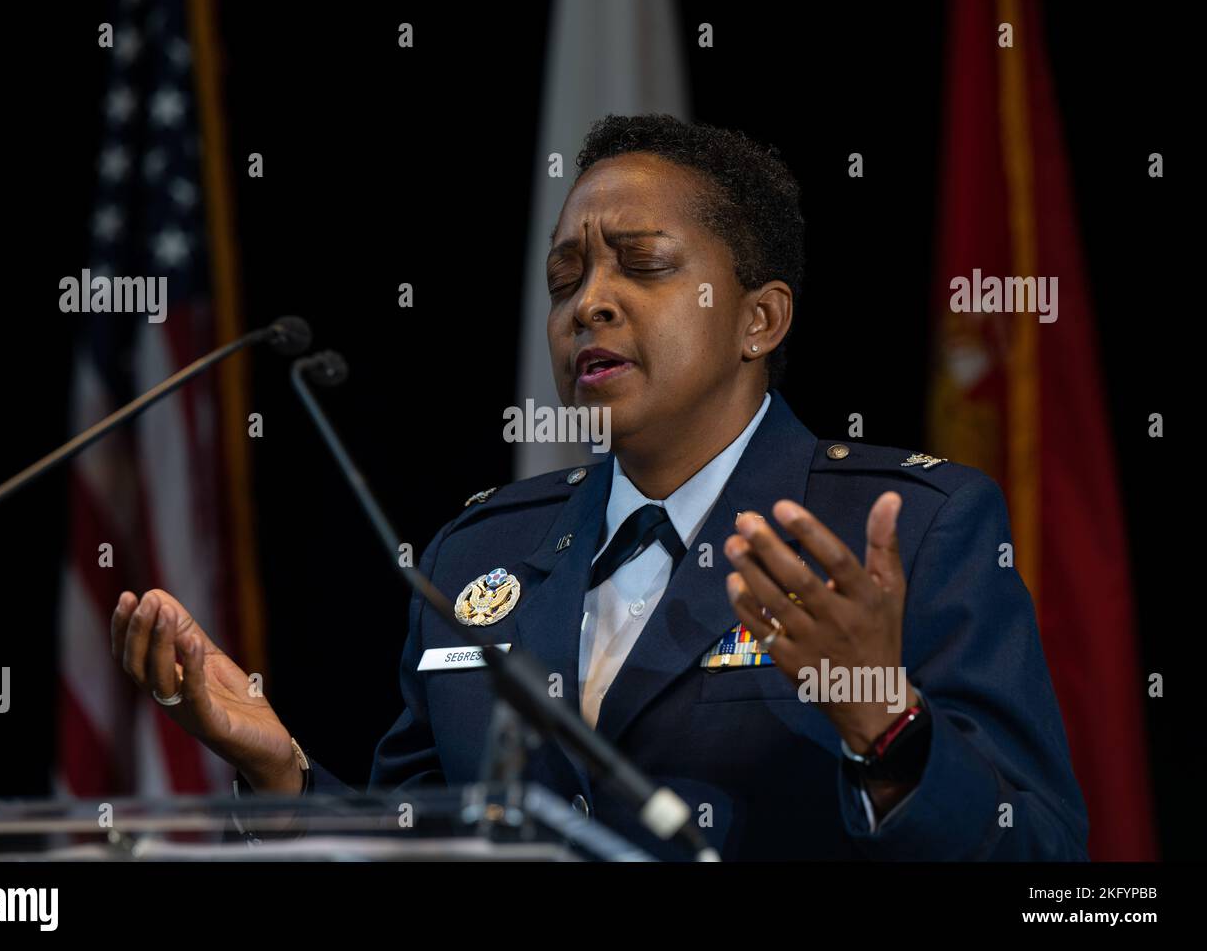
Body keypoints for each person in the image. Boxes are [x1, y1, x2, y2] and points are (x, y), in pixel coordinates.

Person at [110, 113, 1088, 860]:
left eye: (643, 265)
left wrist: (883, 720)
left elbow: (1045, 855)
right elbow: (415, 843)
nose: (590, 301)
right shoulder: (477, 555)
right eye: (564, 276)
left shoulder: (910, 530)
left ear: (760, 318)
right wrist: (276, 766)